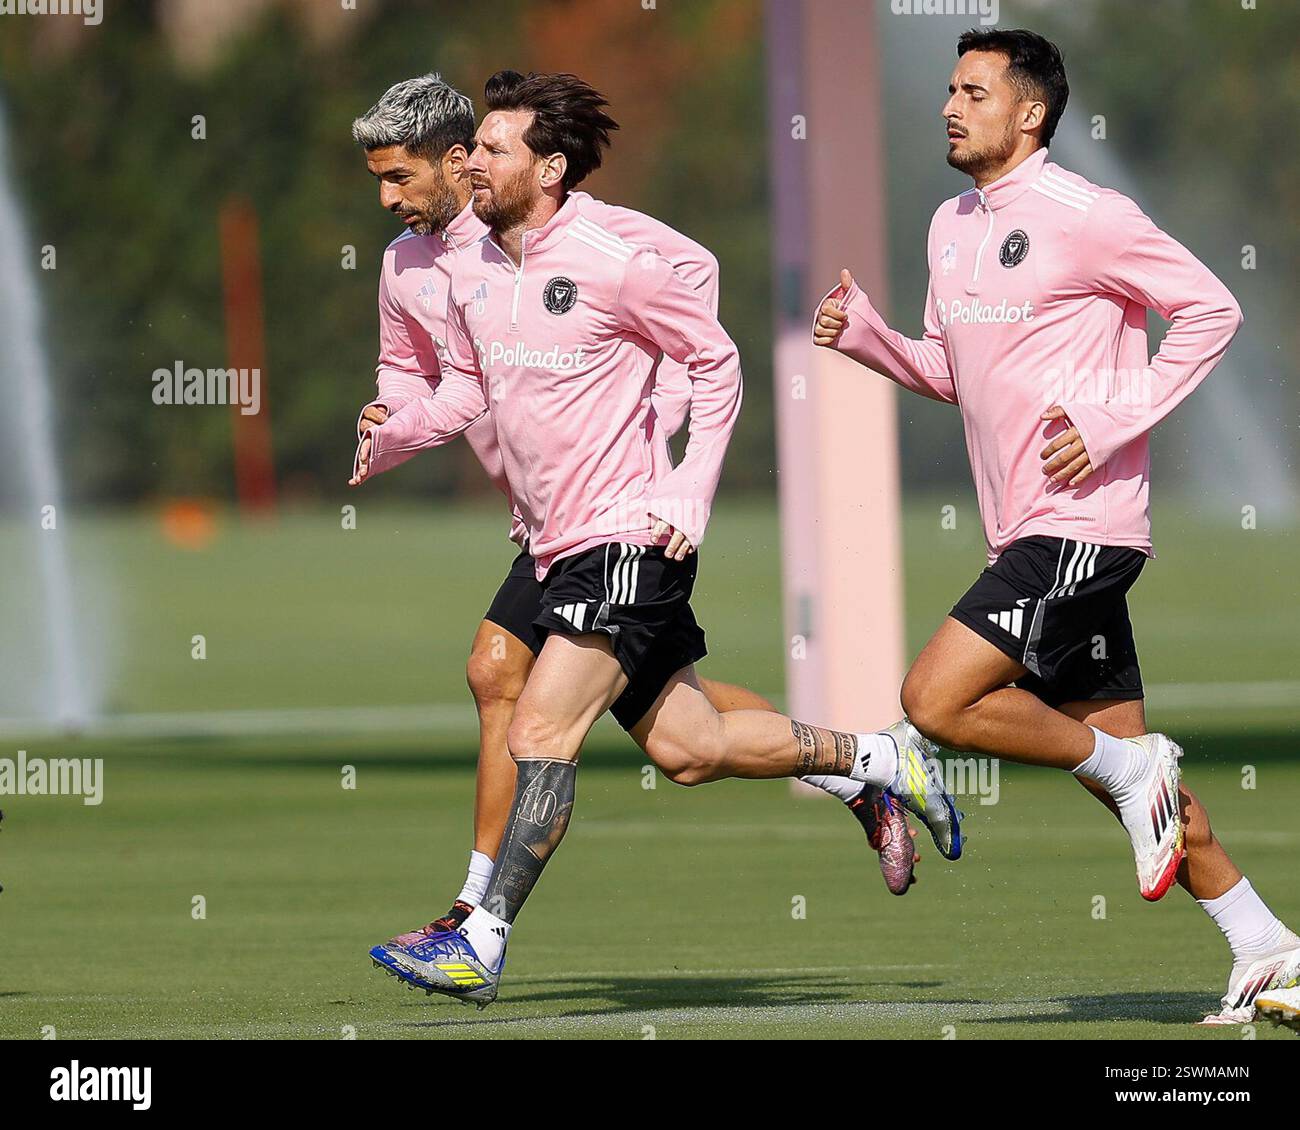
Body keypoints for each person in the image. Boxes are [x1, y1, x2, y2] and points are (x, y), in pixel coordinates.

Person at [353, 70, 963, 1006]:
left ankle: (480, 934)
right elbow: (471, 389)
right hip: (554, 538)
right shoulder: (467, 266)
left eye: (491, 149)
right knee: (690, 748)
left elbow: (711, 350)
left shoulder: (606, 250)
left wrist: (682, 477)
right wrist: (390, 431)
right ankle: (877, 759)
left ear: (549, 168)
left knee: (537, 724)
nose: (473, 162)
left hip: (628, 533)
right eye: (472, 148)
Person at [812, 28, 1295, 1024]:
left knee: (934, 700)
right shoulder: (949, 224)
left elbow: (1210, 310)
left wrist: (1116, 415)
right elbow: (950, 374)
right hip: (1023, 532)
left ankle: (1135, 772)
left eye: (975, 92)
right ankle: (1267, 945)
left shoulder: (1090, 214)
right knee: (1120, 774)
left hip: (1086, 525)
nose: (950, 105)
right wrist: (866, 338)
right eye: (948, 87)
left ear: (1029, 113)